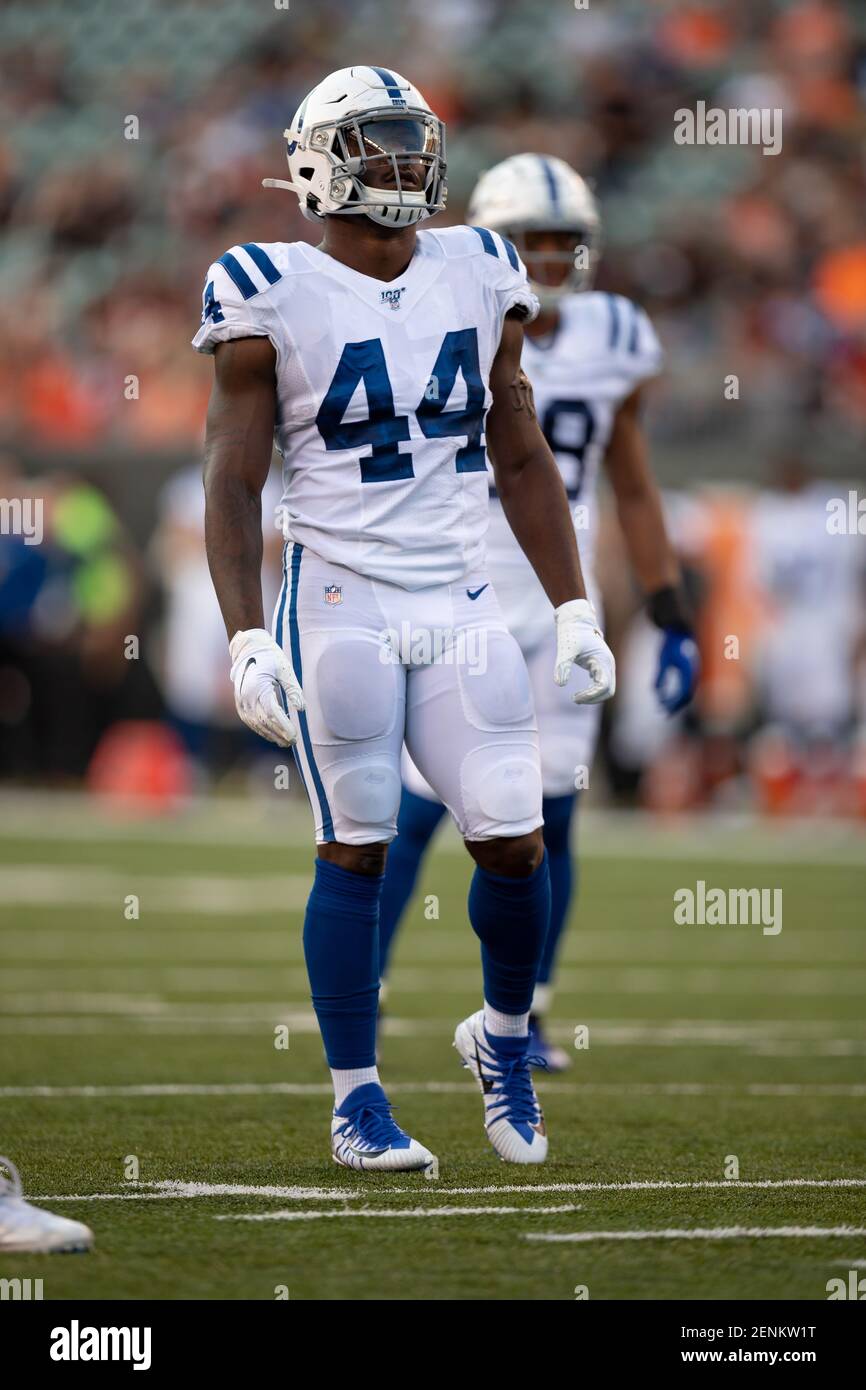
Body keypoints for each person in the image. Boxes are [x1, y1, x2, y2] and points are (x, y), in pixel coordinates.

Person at [194, 69, 615, 1170]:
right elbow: (233, 482)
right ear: (319, 161)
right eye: (378, 144)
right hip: (338, 592)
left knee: (515, 844)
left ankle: (503, 1040)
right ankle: (355, 1100)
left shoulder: (481, 267)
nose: (404, 164)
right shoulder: (263, 287)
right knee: (357, 848)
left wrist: (573, 608)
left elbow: (517, 451)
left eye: (412, 142)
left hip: (461, 588)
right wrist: (245, 633)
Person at [378, 154, 699, 1068]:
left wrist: (672, 610)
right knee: (415, 808)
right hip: (459, 588)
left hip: (564, 605)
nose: (551, 258)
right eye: (532, 240)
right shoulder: (442, 312)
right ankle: (363, 985)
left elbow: (631, 486)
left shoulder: (617, 336)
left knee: (551, 816)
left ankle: (524, 1016)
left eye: (566, 241)